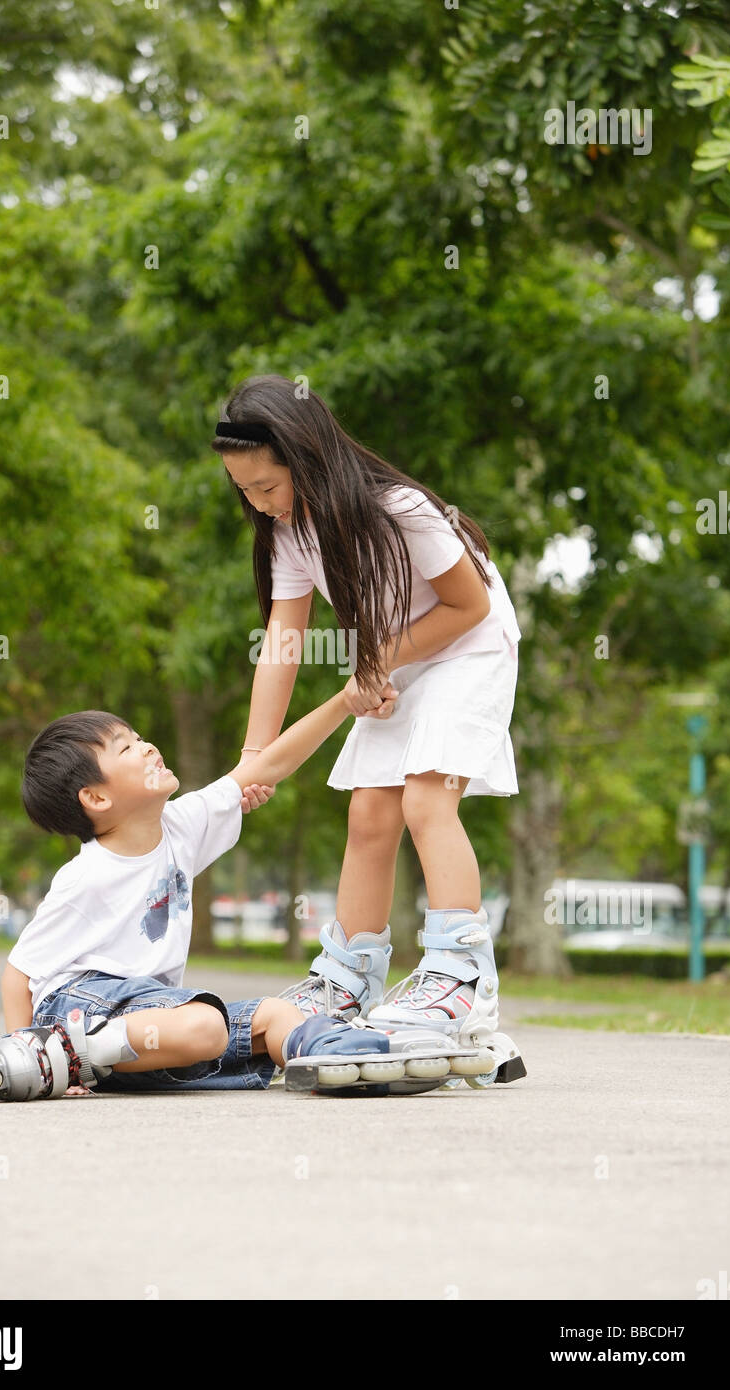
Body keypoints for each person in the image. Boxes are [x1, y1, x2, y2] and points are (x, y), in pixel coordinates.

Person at [211, 374, 525, 1080]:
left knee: (423, 798)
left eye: (266, 486)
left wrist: (381, 660)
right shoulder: (291, 535)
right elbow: (283, 642)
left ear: (306, 457)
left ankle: (459, 983)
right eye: (245, 493)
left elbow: (468, 607)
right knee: (369, 815)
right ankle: (346, 985)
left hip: (468, 646)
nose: (258, 504)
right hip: (400, 654)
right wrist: (254, 756)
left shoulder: (400, 509)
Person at [0, 687, 411, 1101]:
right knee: (205, 1026)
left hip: (150, 1022)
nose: (147, 745)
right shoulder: (87, 877)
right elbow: (19, 973)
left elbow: (269, 766)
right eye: (126, 748)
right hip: (79, 1005)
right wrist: (25, 1043)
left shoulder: (181, 825)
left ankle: (333, 1057)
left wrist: (346, 702)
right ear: (96, 798)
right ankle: (52, 1057)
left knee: (275, 1015)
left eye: (139, 737)